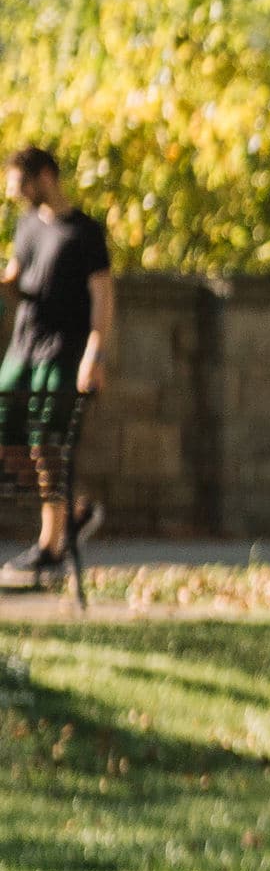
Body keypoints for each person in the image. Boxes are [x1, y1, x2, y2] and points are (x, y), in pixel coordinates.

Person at [3, 147, 111, 589]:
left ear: (45, 176)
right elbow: (16, 277)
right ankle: (76, 510)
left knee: (48, 445)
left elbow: (103, 296)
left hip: (65, 353)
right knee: (10, 440)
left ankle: (51, 546)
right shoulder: (27, 225)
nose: (16, 194)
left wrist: (95, 355)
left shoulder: (84, 232)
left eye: (21, 184)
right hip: (23, 349)